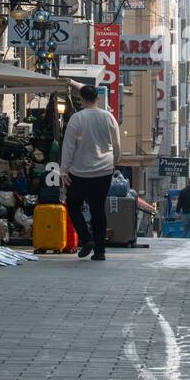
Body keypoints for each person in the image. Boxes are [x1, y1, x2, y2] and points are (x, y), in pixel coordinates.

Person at [60, 84, 121, 261]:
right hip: (104, 170)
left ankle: (86, 238)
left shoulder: (77, 119)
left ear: (81, 99)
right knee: (98, 209)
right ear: (98, 98)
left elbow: (69, 146)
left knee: (73, 204)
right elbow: (116, 144)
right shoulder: (109, 117)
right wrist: (114, 162)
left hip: (80, 172)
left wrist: (64, 170)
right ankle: (100, 251)